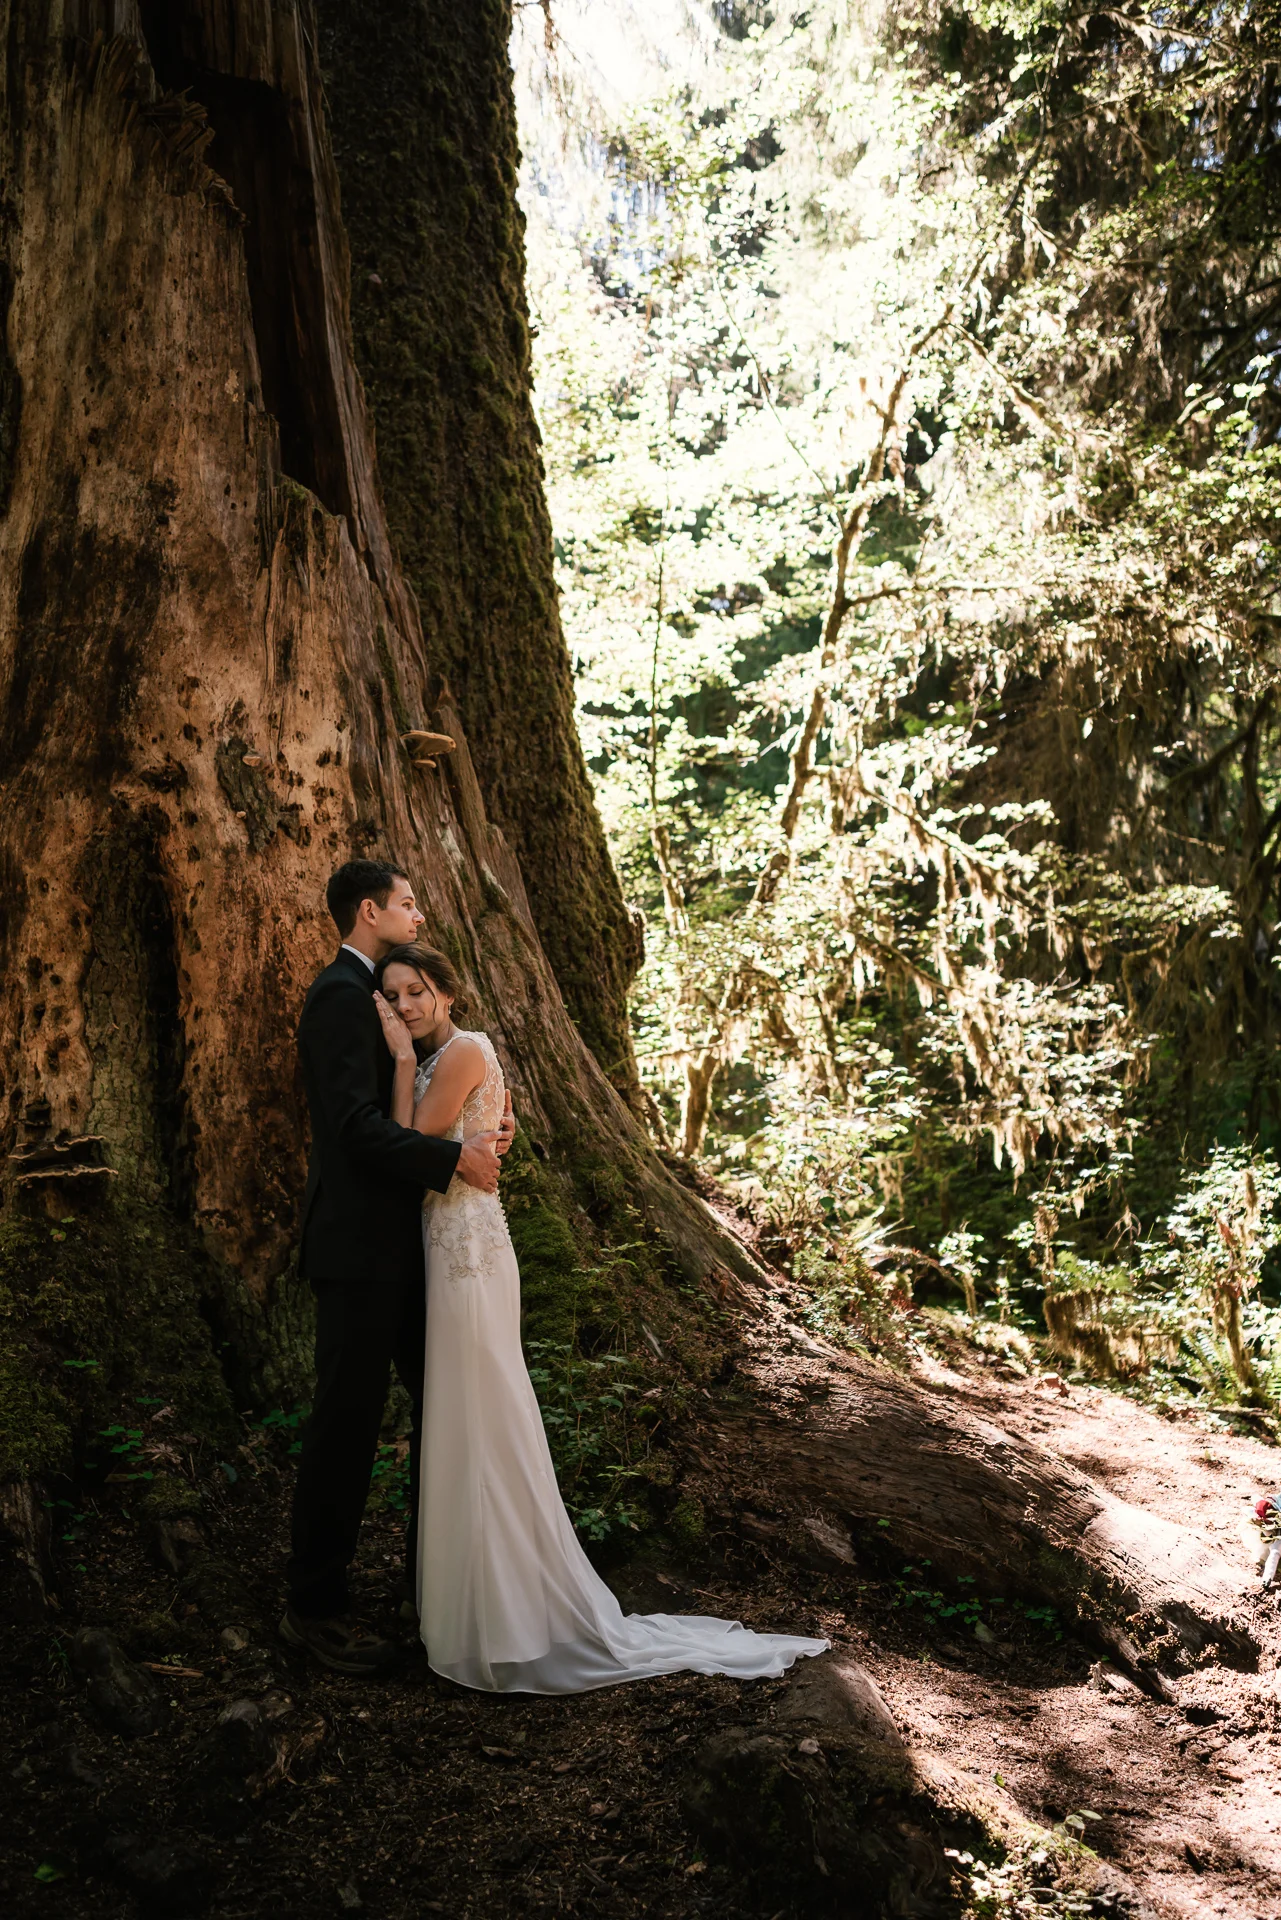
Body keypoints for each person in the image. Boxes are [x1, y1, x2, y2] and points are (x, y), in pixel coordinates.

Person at [374, 942, 828, 1693]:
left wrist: (397, 1063)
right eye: (393, 997)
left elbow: (409, 1145)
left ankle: (508, 1612)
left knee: (480, 1412)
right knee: (464, 1414)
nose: (407, 1006)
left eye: (416, 991)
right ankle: (478, 1606)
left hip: (468, 1254)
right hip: (450, 1239)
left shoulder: (457, 1052)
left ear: (446, 991)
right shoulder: (447, 1056)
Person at [281, 861, 514, 1676]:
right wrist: (451, 1160)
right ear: (370, 910)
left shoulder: (376, 993)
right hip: (356, 1248)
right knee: (345, 1425)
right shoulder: (338, 996)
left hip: (410, 1248)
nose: (419, 914)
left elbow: (412, 1097)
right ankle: (314, 1607)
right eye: (408, 903)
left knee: (444, 1412)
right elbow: (350, 1128)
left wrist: (467, 1137)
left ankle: (441, 1591)